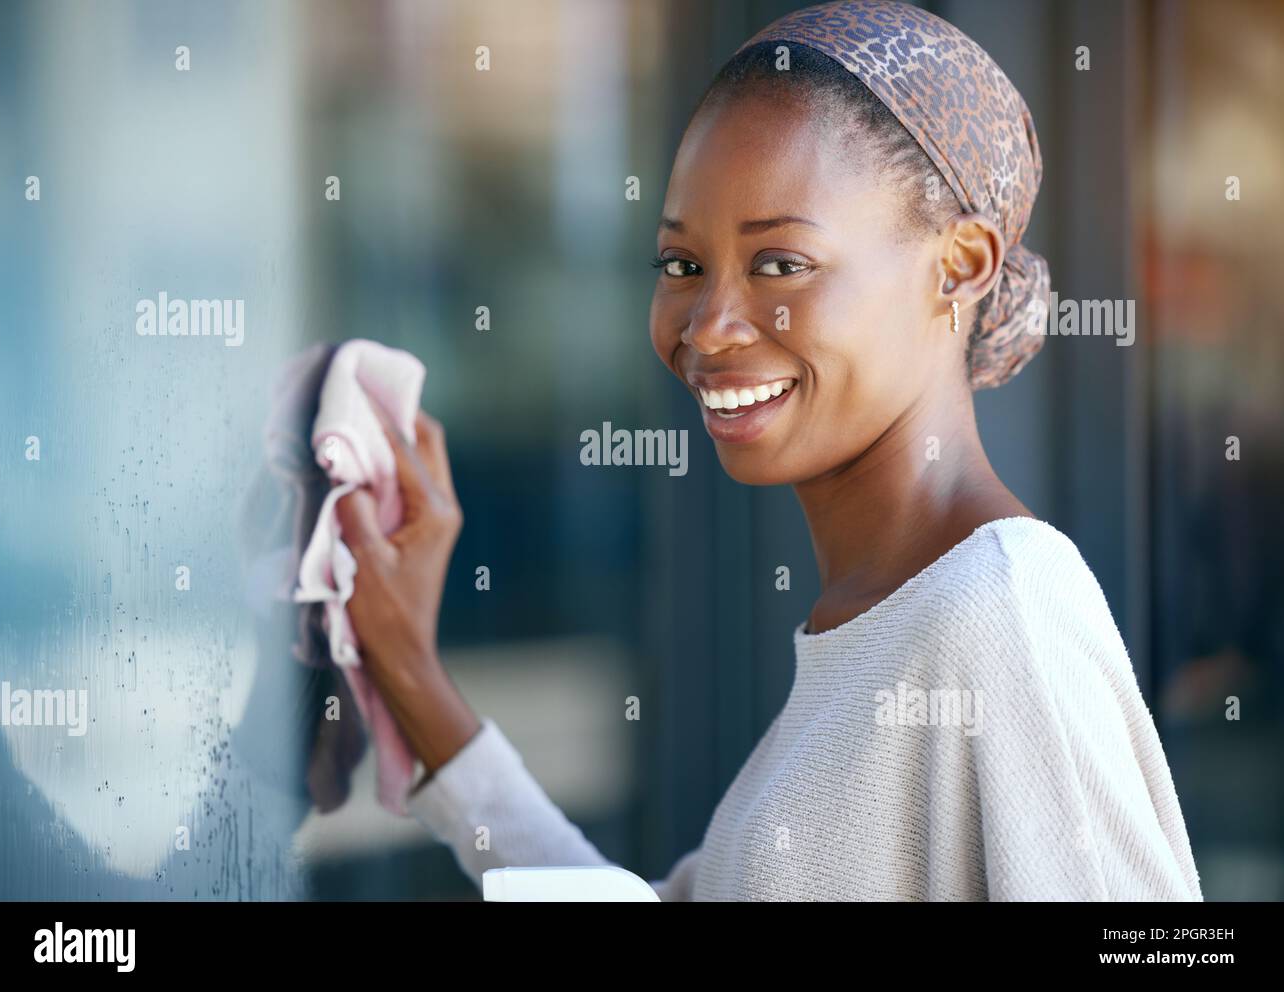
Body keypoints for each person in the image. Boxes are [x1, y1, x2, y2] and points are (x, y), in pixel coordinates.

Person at [333, 0, 1202, 900]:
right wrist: (407, 667)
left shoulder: (1001, 610)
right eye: (682, 266)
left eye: (780, 264)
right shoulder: (878, 620)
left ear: (960, 265)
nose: (709, 327)